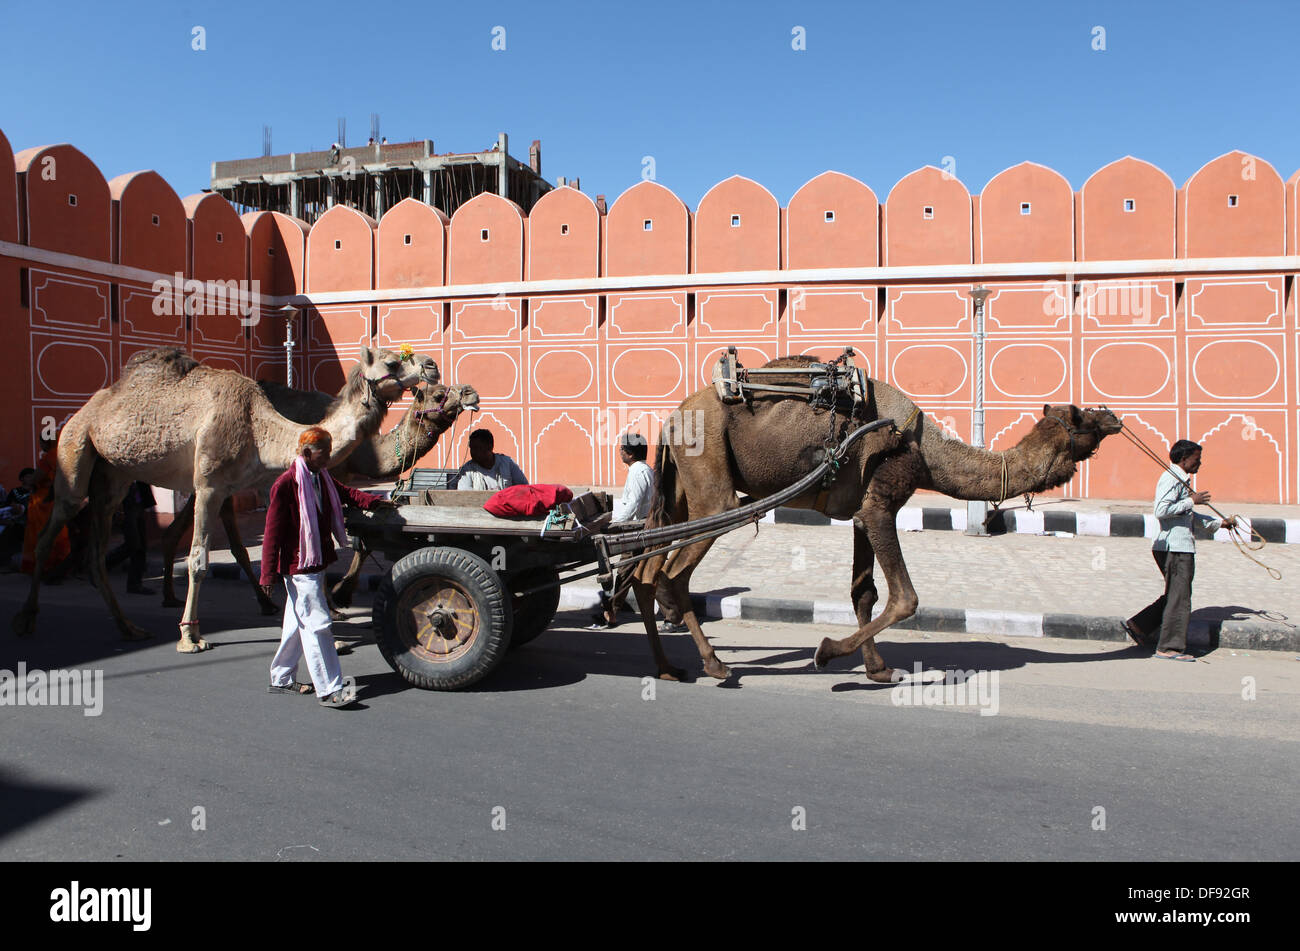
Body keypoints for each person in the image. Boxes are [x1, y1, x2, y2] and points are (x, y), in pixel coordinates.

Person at [259, 427, 395, 707]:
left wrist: (375, 502)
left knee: (297, 624)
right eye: (325, 453)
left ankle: (281, 678)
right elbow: (272, 532)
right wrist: (267, 573)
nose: (329, 458)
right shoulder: (286, 484)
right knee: (318, 625)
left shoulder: (321, 478)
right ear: (308, 453)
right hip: (300, 567)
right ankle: (329, 688)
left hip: (316, 561)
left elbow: (346, 494)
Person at [1125, 439, 1236, 662]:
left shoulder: (1181, 479)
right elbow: (1161, 510)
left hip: (1175, 545)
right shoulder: (1171, 478)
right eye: (1197, 459)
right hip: (1175, 547)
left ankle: (1140, 625)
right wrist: (1191, 501)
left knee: (1175, 594)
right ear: (1184, 459)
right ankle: (1169, 648)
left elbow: (1187, 517)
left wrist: (1218, 523)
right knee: (1180, 598)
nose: (1200, 463)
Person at [587, 433, 685, 632]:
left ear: (630, 454)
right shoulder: (643, 470)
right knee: (628, 572)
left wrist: (614, 523)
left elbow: (633, 504)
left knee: (646, 573)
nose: (620, 452)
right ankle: (611, 612)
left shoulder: (638, 473)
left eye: (622, 449)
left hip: (639, 530)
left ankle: (674, 617)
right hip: (641, 528)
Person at [21, 437, 71, 581]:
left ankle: (45, 566)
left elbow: (37, 478)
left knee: (43, 532)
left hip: (44, 501)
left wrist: (30, 481)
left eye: (41, 442)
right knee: (59, 532)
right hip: (59, 498)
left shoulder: (48, 458)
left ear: (45, 442)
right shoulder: (64, 455)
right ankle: (61, 566)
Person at [106, 481, 156, 594]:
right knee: (133, 544)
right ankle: (104, 564)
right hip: (127, 505)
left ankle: (135, 584)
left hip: (139, 501)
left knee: (141, 546)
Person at [455, 429, 528, 491]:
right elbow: (465, 496)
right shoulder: (467, 470)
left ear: (490, 447)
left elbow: (524, 487)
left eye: (477, 448)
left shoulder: (507, 463)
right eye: (472, 448)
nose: (473, 452)